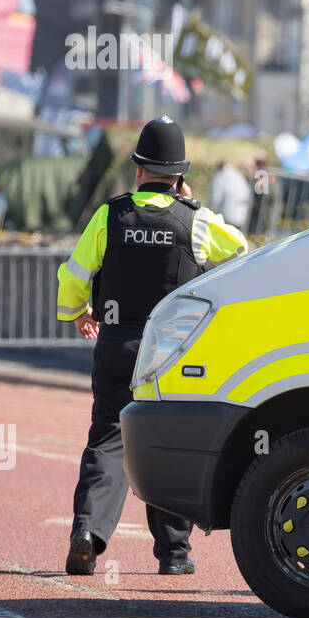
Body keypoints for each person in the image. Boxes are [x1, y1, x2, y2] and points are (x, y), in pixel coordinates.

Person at [56, 116, 248, 577]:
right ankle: (175, 555)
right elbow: (242, 251)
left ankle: (87, 532)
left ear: (138, 170)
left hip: (117, 343)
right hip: (171, 353)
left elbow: (73, 276)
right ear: (179, 176)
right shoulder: (196, 222)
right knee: (166, 442)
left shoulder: (110, 214)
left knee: (106, 440)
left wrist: (78, 313)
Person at [209, 158, 255, 233]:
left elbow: (216, 198)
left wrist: (211, 213)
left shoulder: (220, 176)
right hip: (241, 217)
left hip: (225, 215)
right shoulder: (238, 176)